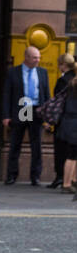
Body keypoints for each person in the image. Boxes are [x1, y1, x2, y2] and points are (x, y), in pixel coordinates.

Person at [1, 45, 49, 186]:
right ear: (26, 57)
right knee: (15, 143)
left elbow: (46, 94)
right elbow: (7, 94)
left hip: (36, 110)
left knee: (37, 145)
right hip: (21, 109)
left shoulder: (42, 72)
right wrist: (6, 115)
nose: (37, 60)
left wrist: (47, 116)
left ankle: (35, 176)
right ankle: (11, 175)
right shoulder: (13, 72)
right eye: (35, 57)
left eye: (39, 57)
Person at [49, 53, 74, 189]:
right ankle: (70, 180)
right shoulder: (74, 78)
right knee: (71, 152)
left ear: (63, 65)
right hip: (72, 121)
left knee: (61, 151)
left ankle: (61, 178)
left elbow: (58, 101)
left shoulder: (63, 81)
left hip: (63, 121)